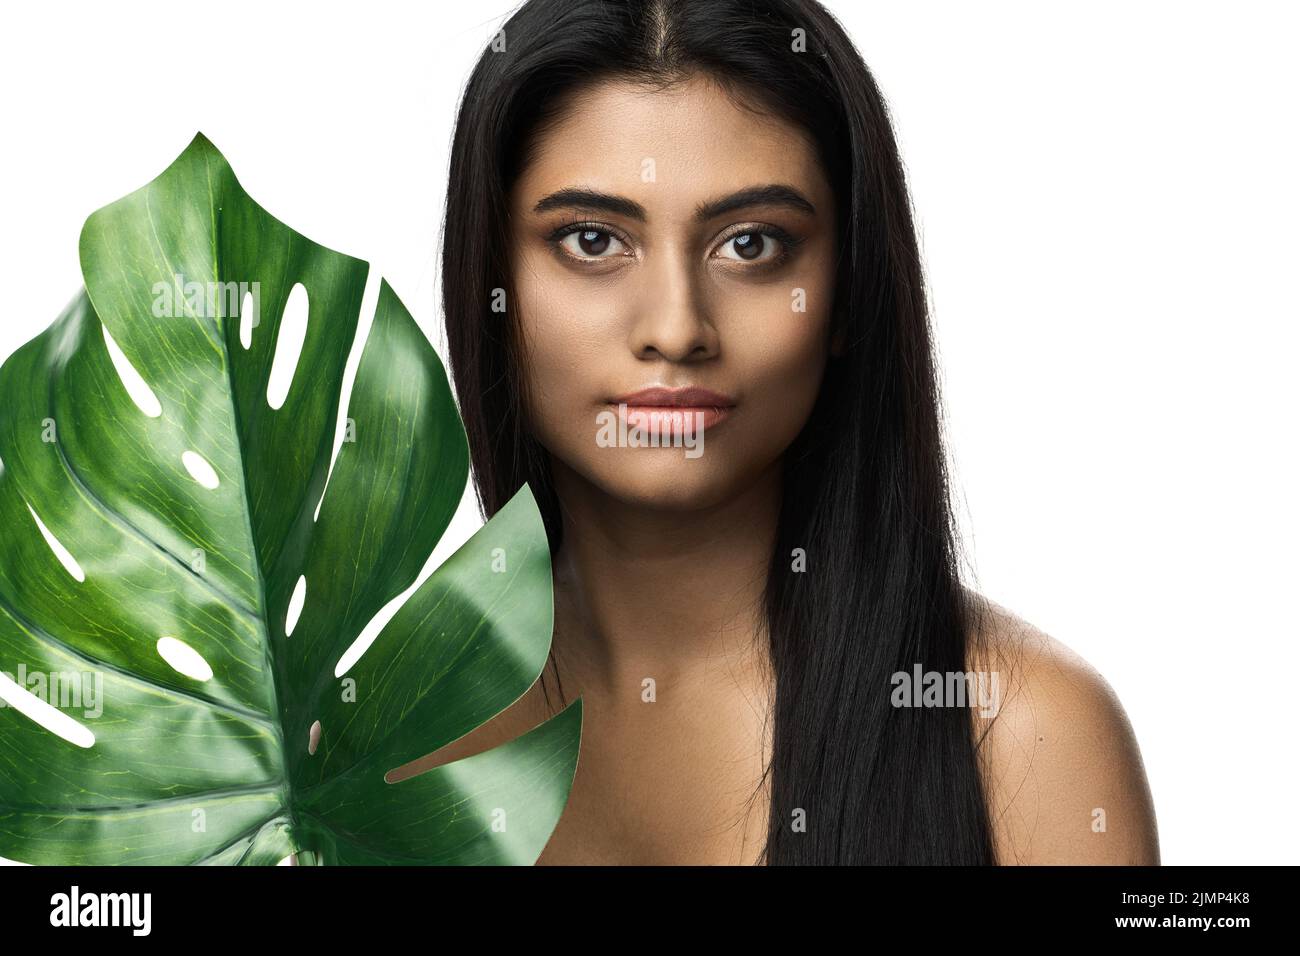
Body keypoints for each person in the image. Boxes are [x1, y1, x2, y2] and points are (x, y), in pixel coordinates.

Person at [391, 0, 1160, 865]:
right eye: (593, 239)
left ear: (846, 290)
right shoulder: (359, 757)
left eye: (751, 245)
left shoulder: (1022, 736)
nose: (676, 328)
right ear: (492, 283)